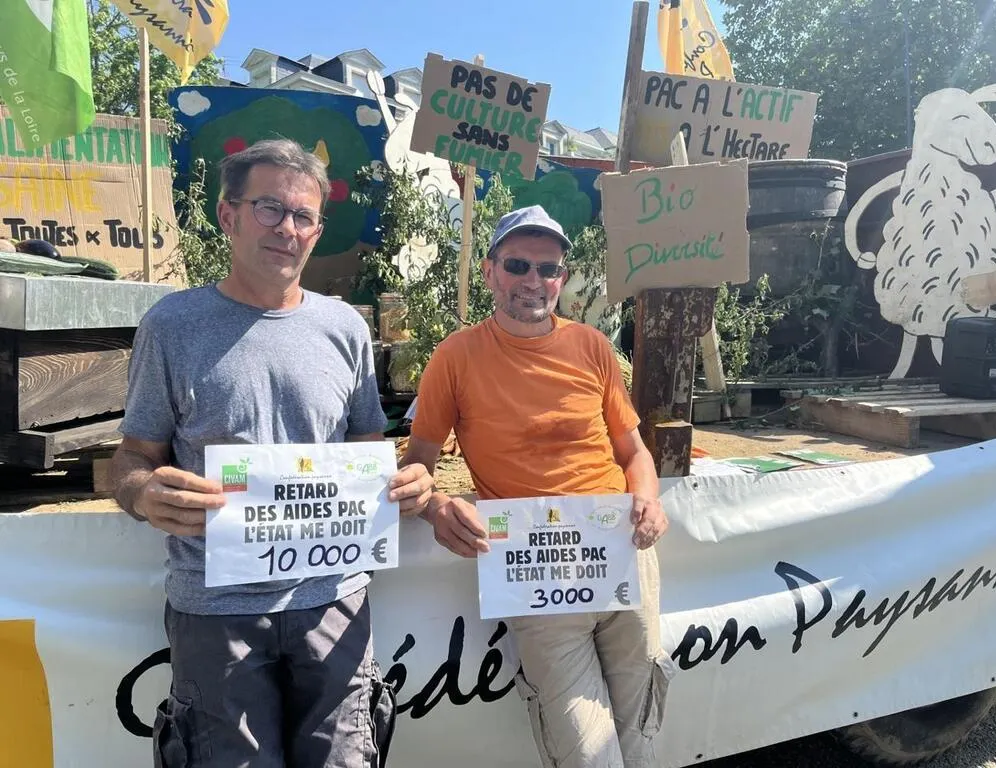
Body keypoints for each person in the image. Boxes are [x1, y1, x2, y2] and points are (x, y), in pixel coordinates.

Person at [110, 139, 433, 768]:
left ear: (317, 231)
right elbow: (130, 459)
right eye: (269, 208)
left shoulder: (345, 329)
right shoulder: (172, 326)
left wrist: (409, 486)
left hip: (335, 600)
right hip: (215, 609)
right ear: (228, 215)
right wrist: (143, 494)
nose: (288, 228)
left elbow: (369, 457)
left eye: (304, 216)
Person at [400, 205, 673, 768]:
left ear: (563, 278)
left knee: (642, 733)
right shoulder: (455, 357)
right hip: (537, 570)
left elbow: (634, 452)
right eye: (518, 264)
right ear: (490, 271)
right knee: (584, 751)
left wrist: (648, 497)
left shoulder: (593, 347)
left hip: (621, 553)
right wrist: (435, 506)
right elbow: (419, 466)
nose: (534, 281)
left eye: (548, 269)